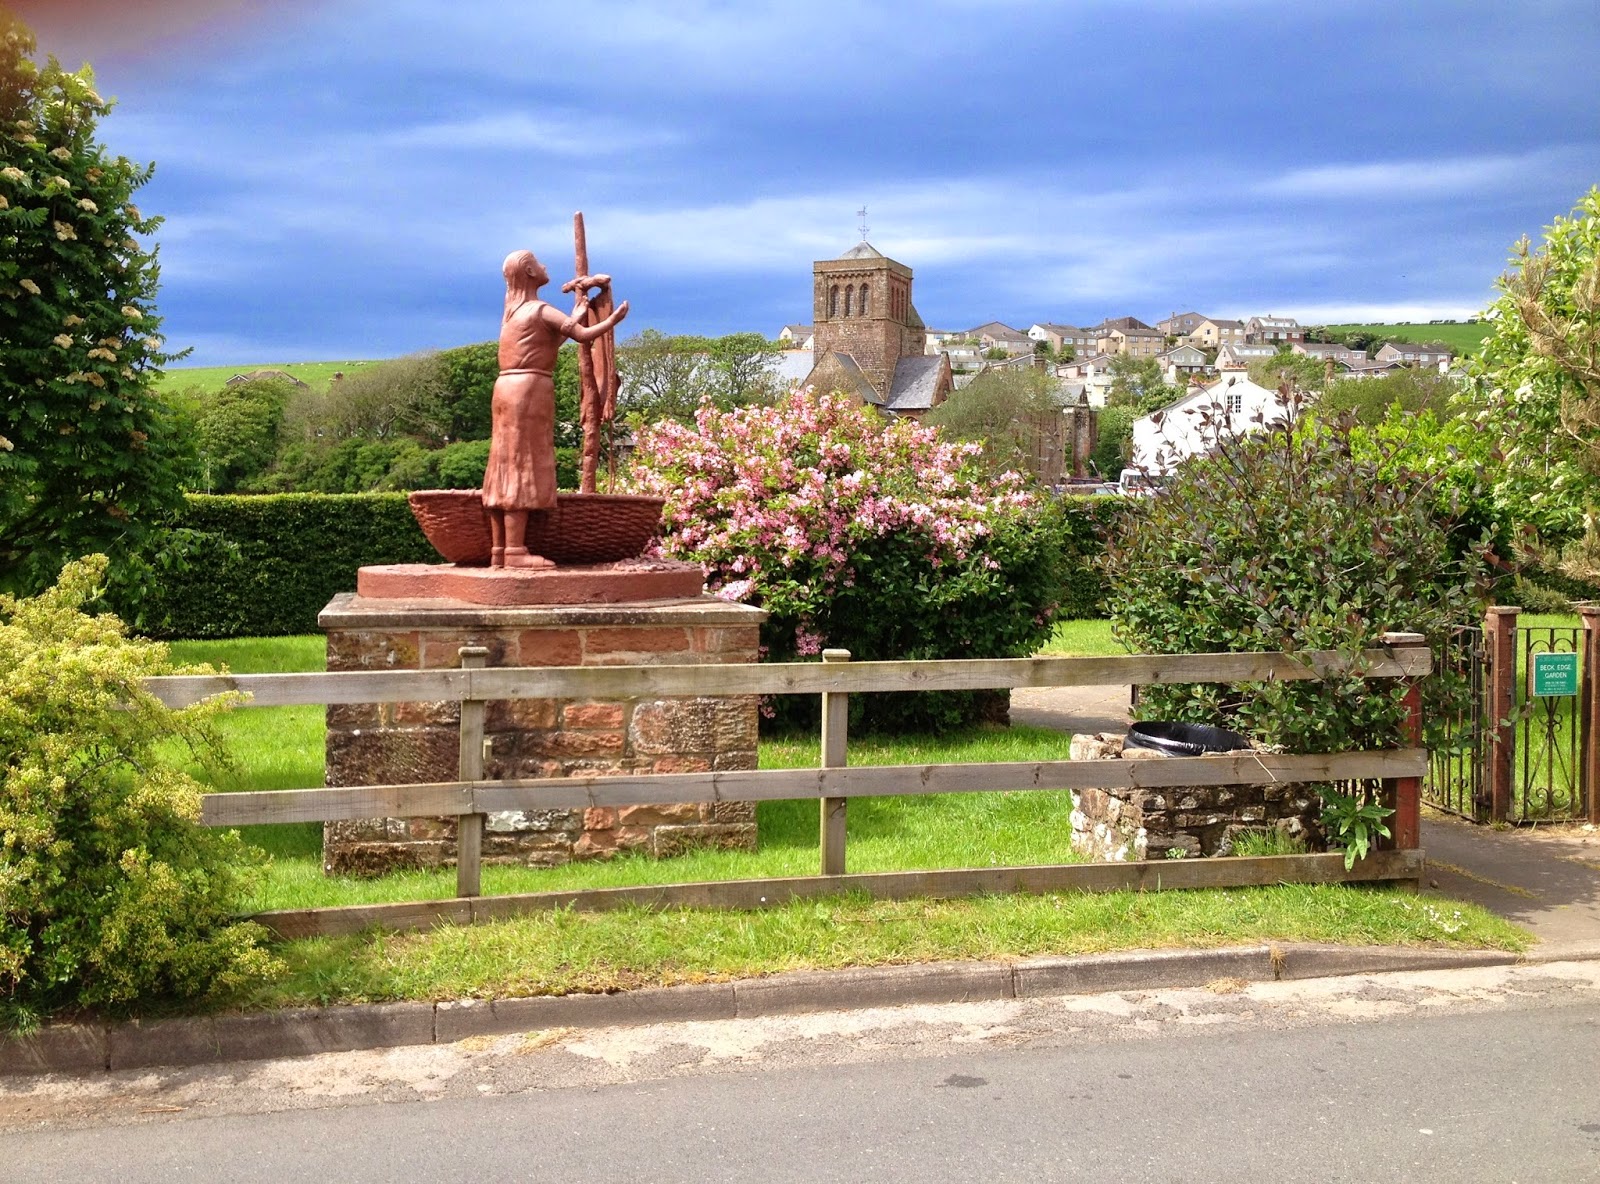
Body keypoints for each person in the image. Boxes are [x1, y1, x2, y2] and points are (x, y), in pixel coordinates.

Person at [481, 249, 628, 568]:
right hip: (529, 391)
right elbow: (582, 335)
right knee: (523, 463)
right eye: (539, 264)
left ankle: (499, 551)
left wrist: (576, 312)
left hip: (507, 389)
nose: (546, 266)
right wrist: (613, 319)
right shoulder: (539, 309)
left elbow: (548, 342)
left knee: (504, 463)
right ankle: (517, 551)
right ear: (531, 273)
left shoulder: (513, 313)